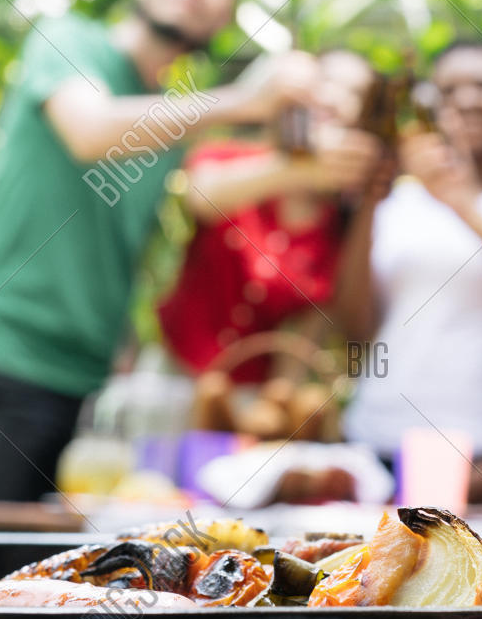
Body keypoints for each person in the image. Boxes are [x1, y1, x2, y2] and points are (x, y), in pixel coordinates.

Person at [0, 0, 320, 501]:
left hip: (90, 389)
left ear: (225, 14)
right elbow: (93, 130)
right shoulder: (69, 42)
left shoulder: (169, 120)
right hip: (1, 363)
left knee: (52, 582)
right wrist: (246, 100)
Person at [336, 39, 482, 500]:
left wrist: (460, 202)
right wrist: (370, 201)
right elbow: (354, 328)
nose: (467, 100)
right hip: (374, 436)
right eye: (449, 89)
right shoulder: (396, 201)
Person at [156, 50, 383, 382]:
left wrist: (279, 411)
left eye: (355, 94)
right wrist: (302, 166)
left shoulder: (342, 224)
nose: (334, 98)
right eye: (327, 82)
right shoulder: (229, 157)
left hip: (250, 395)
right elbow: (201, 197)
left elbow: (309, 333)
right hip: (173, 372)